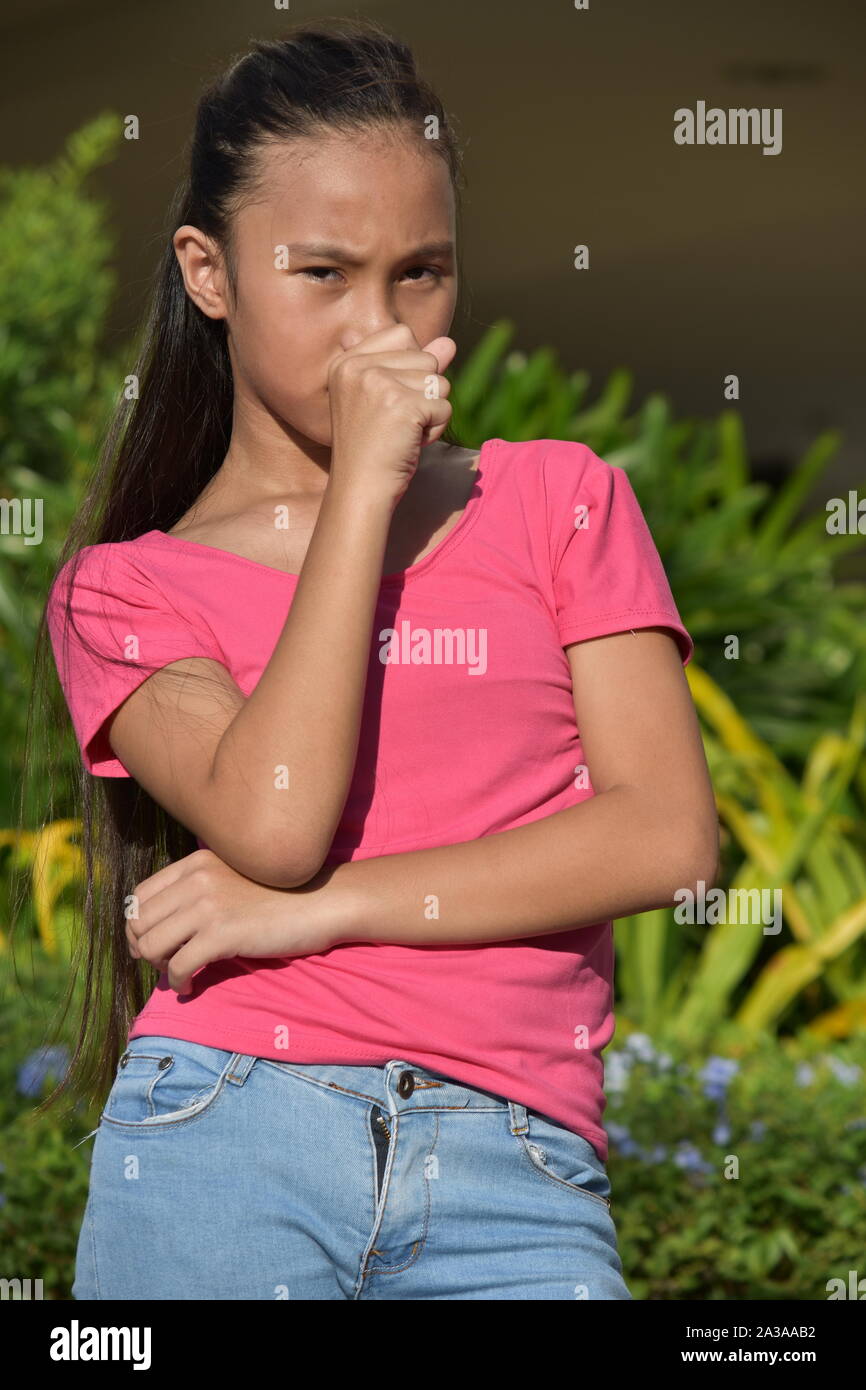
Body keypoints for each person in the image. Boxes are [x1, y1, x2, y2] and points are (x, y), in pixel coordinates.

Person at [43, 20, 718, 1300]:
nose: (381, 328)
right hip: (220, 1136)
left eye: (421, 274)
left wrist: (319, 914)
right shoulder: (121, 589)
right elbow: (277, 818)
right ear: (209, 270)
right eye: (323, 274)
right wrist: (364, 492)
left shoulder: (560, 502)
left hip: (516, 1171)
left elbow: (665, 836)